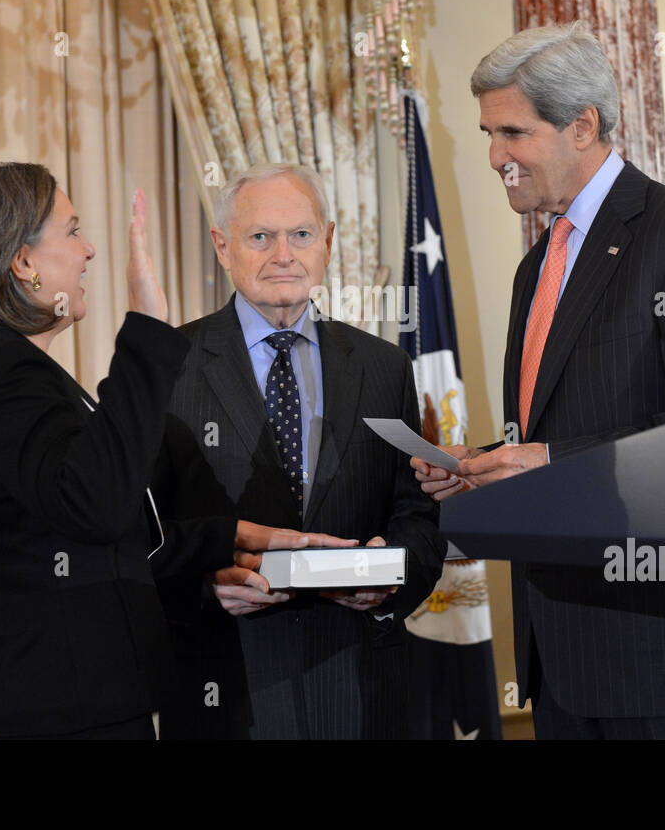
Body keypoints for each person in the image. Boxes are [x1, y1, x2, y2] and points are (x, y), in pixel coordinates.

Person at [413, 23, 665, 739]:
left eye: (512, 133)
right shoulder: (537, 265)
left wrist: (550, 460)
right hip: (558, 660)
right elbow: (560, 426)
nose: (495, 157)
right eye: (488, 133)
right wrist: (484, 466)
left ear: (582, 126)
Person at [0, 162, 345, 739]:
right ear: (23, 262)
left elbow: (80, 530)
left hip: (68, 709)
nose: (88, 250)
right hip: (32, 713)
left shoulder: (7, 370)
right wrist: (144, 328)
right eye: (71, 231)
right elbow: (98, 505)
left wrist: (228, 535)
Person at [154, 163, 446, 740]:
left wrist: (390, 577)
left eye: (302, 235)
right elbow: (139, 534)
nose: (283, 254)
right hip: (228, 686)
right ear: (223, 247)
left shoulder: (384, 367)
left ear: (329, 242)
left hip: (360, 684)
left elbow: (417, 516)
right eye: (260, 236)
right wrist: (204, 584)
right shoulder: (166, 365)